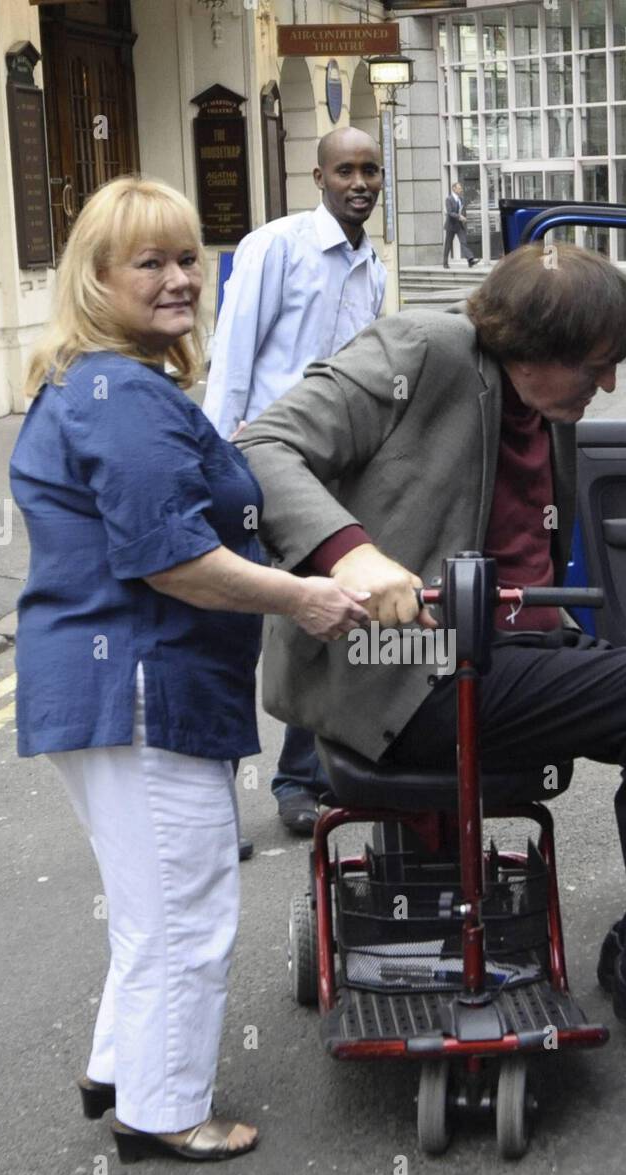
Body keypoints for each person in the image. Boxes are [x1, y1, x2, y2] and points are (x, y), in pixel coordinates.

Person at [236, 242, 626, 1070]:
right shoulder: (420, 349)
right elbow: (259, 446)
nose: (606, 386)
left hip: (497, 656)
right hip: (404, 669)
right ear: (536, 350)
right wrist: (352, 554)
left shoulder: (543, 409)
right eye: (596, 367)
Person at [9, 176, 369, 1163]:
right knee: (189, 906)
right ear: (95, 278)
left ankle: (123, 1067)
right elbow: (167, 557)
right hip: (137, 683)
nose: (179, 281)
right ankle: (165, 1111)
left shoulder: (101, 378)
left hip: (104, 683)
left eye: (186, 260)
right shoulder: (120, 394)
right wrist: (305, 597)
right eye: (149, 263)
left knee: (148, 902)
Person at [203, 128, 386, 837]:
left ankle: (300, 779)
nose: (360, 182)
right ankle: (212, 806)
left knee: (325, 614)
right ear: (319, 176)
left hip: (330, 471)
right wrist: (218, 466)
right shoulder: (275, 247)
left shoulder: (370, 264)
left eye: (371, 170)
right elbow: (232, 358)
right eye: (346, 170)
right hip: (258, 463)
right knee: (237, 628)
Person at [443, 182, 477, 269]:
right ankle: (445, 262)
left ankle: (470, 260)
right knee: (448, 244)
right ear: (453, 189)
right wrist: (459, 217)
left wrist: (464, 218)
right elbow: (450, 212)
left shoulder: (461, 199)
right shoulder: (449, 199)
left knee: (464, 242)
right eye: (459, 188)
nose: (460, 189)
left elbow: (463, 210)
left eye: (460, 188)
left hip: (459, 225)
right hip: (451, 225)